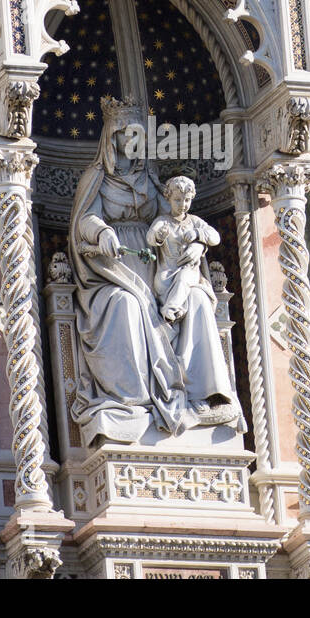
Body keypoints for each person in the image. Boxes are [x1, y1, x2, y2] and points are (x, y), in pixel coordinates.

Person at [67, 96, 193, 445]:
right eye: (128, 134)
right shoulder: (96, 178)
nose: (134, 141)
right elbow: (85, 219)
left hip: (153, 260)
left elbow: (173, 215)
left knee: (193, 298)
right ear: (113, 137)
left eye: (140, 133)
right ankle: (131, 398)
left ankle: (195, 397)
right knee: (127, 305)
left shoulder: (149, 177)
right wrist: (103, 231)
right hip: (110, 269)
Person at [147, 175, 240, 427]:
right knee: (187, 281)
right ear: (168, 199)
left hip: (190, 281)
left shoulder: (195, 222)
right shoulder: (163, 221)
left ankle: (210, 389)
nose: (183, 205)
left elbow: (215, 236)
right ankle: (170, 310)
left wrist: (199, 239)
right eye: (178, 200)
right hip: (166, 279)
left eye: (187, 200)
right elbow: (151, 238)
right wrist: (159, 234)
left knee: (196, 289)